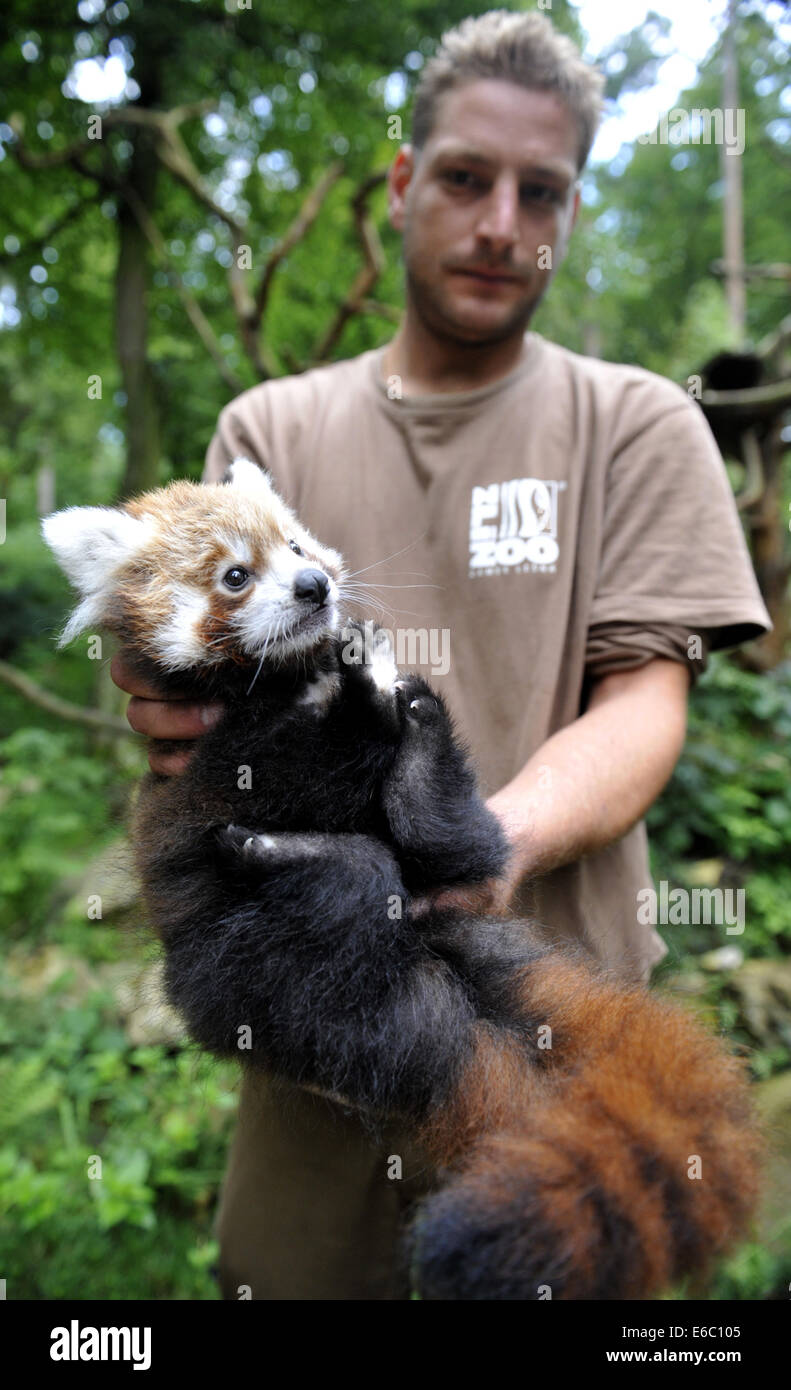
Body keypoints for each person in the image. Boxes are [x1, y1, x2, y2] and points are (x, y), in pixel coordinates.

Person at [111, 10, 771, 1300]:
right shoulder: (269, 434)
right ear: (405, 182)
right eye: (466, 177)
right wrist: (163, 708)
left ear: (574, 210)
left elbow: (649, 698)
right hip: (315, 1033)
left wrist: (487, 842)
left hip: (550, 1009)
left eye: (543, 190)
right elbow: (172, 657)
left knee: (561, 1238)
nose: (499, 221)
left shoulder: (637, 424)